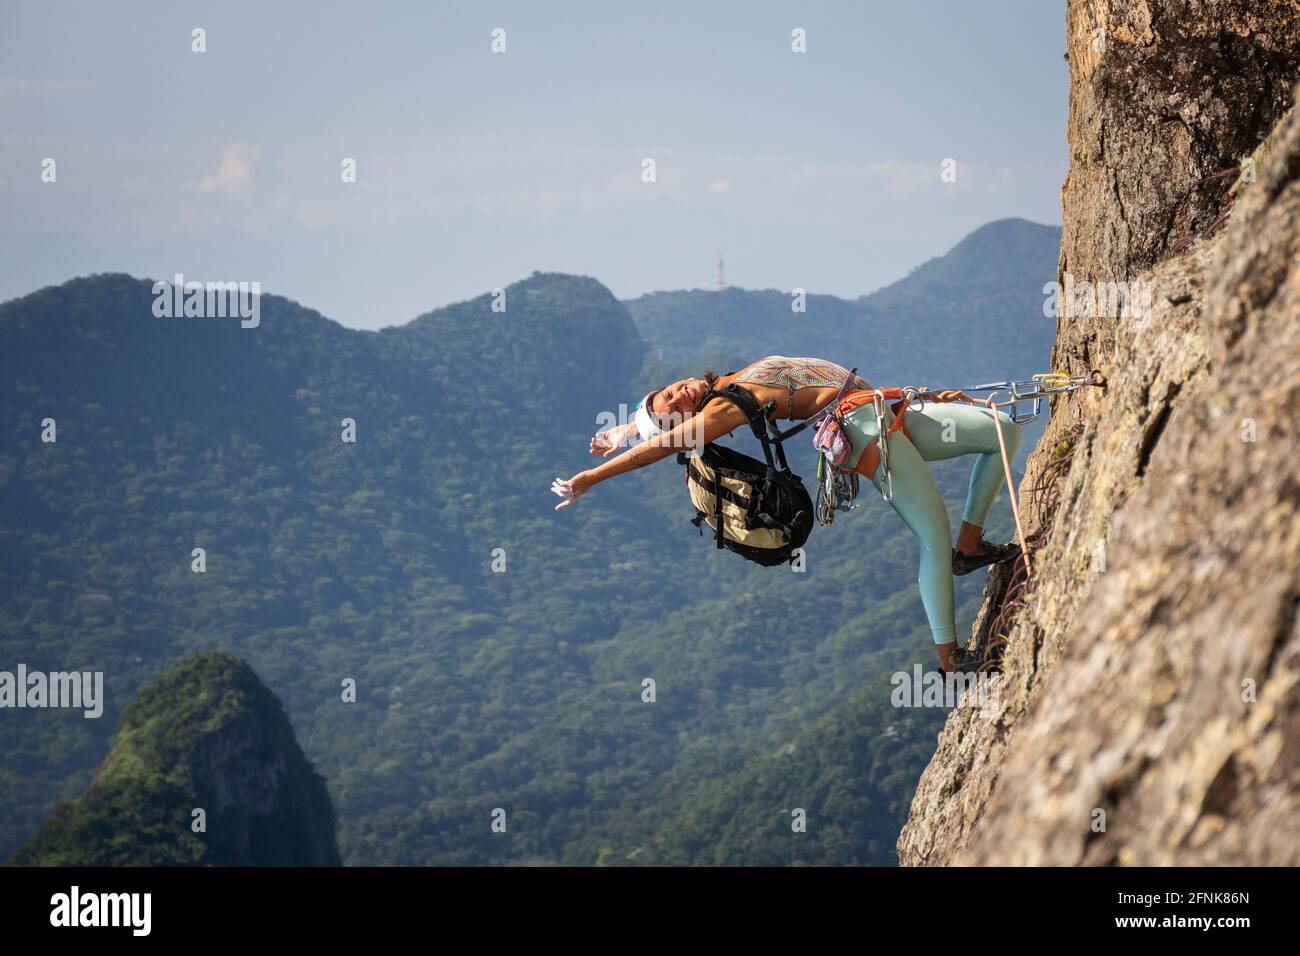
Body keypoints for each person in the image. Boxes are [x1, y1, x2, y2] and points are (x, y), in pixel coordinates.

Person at [552, 356, 1021, 672]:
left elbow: (653, 426)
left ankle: (970, 546)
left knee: (1000, 429)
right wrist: (591, 477)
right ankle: (953, 663)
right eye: (675, 408)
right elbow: (658, 446)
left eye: (670, 393)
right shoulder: (721, 410)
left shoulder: (724, 382)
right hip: (864, 430)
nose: (678, 396)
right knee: (931, 537)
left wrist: (627, 427)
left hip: (884, 409)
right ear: (689, 423)